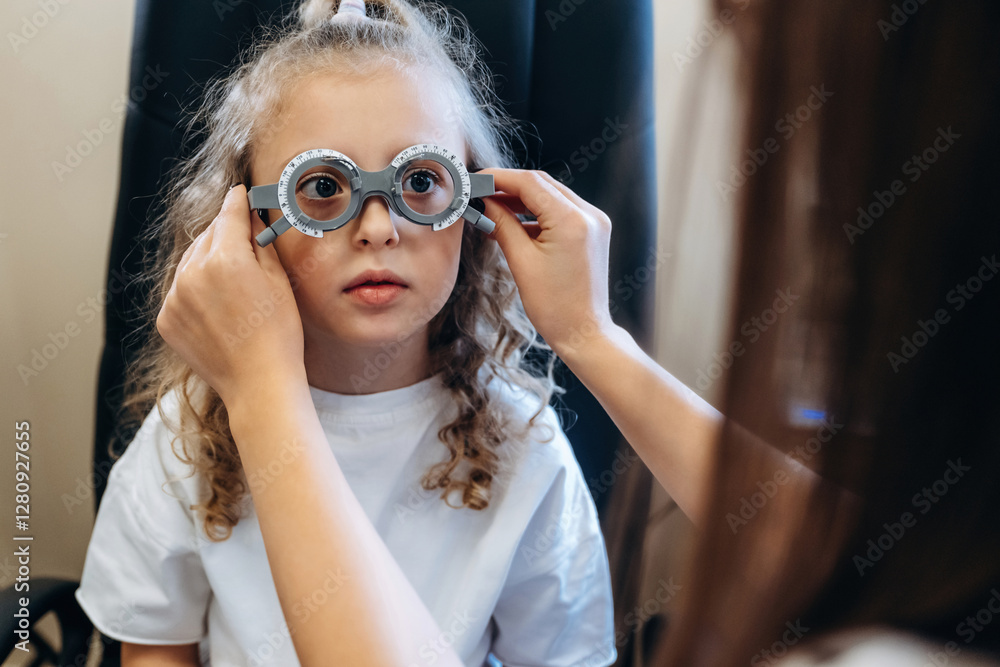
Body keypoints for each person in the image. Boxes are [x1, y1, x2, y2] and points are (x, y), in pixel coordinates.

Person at [72, 1, 617, 665]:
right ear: (245, 224)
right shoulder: (189, 434)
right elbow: (156, 647)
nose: (380, 228)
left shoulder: (524, 445)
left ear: (474, 204)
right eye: (322, 186)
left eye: (422, 181)